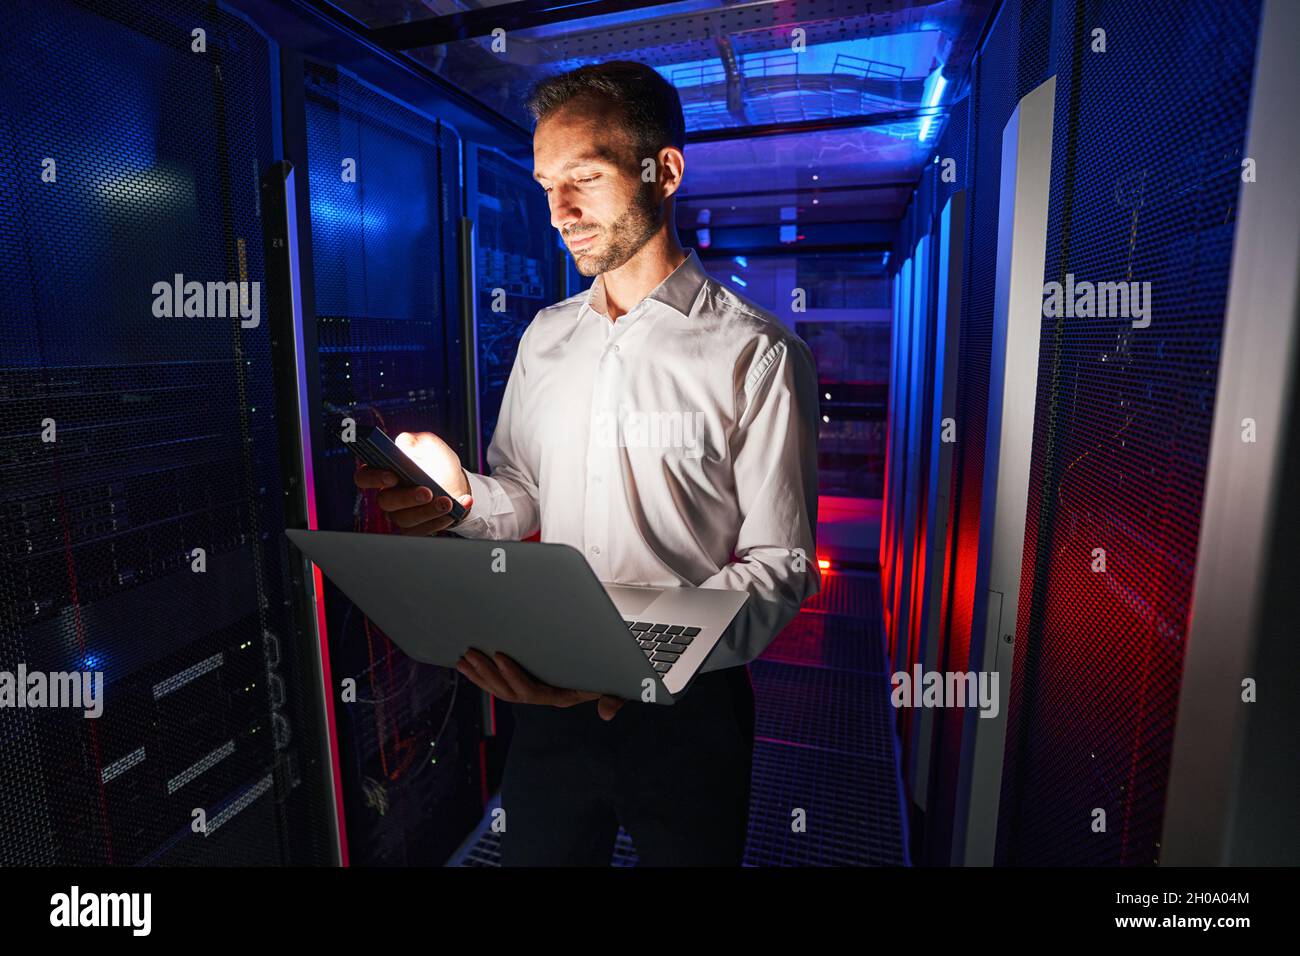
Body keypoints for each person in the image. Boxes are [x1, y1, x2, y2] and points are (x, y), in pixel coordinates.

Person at [353, 60, 820, 866]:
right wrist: (462, 499)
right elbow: (525, 493)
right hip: (547, 705)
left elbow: (779, 567)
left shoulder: (759, 354)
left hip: (689, 714)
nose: (558, 212)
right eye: (545, 186)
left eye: (585, 178)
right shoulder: (547, 337)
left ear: (664, 170)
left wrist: (626, 658)